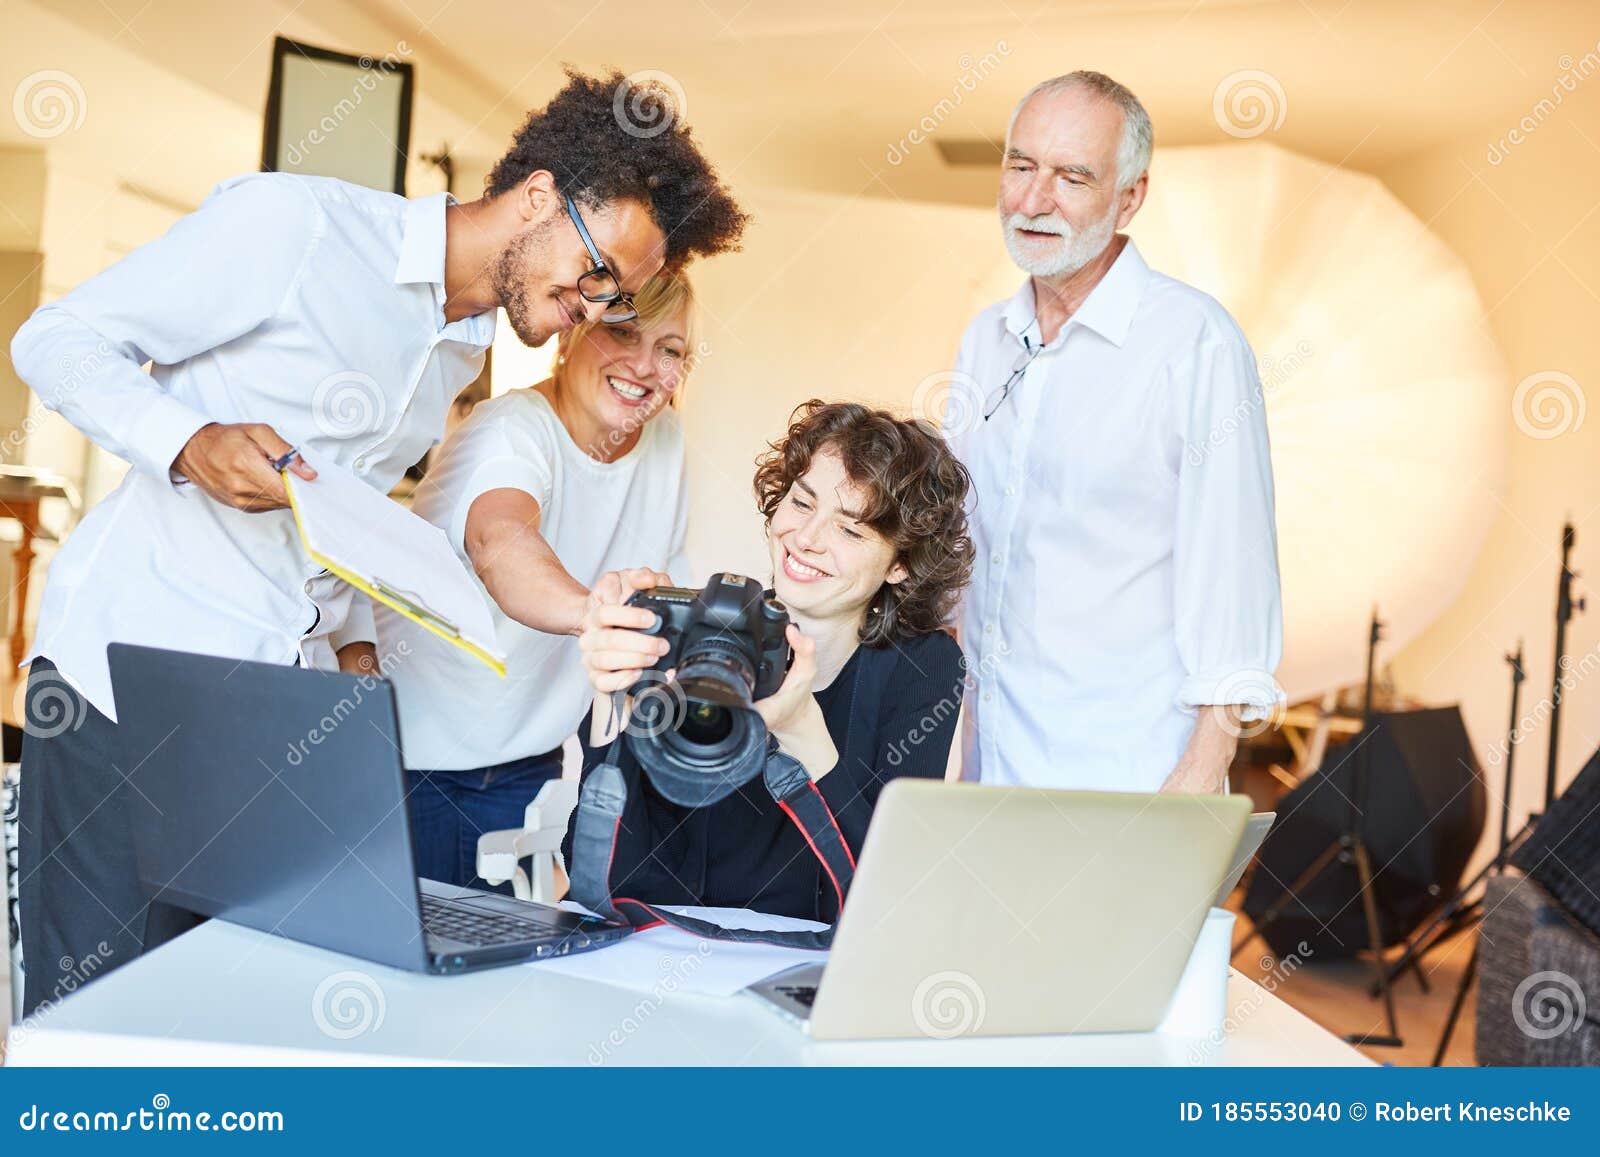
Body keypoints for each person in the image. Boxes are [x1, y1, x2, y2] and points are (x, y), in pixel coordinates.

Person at [8, 69, 747, 1015]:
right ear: (536, 196)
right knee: (93, 1028)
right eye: (598, 275)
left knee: (208, 1030)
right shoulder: (297, 228)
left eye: (620, 300)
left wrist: (354, 644)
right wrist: (188, 444)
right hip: (123, 688)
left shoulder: (460, 344)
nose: (596, 309)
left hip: (262, 717)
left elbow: (335, 512)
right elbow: (56, 338)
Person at [948, 71, 1282, 795]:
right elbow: (958, 549)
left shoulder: (1196, 343)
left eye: (1072, 176)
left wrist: (1203, 768)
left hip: (1129, 782)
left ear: (1129, 197)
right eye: (1021, 166)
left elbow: (1234, 567)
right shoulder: (986, 340)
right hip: (987, 777)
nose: (1035, 200)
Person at [564, 401, 974, 921]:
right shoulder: (703, 636)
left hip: (809, 977)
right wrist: (613, 704)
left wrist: (804, 732)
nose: (806, 539)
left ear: (901, 564)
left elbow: (893, 899)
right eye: (802, 504)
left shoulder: (922, 667)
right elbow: (599, 872)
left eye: (850, 531)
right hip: (668, 956)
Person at [379, 271, 700, 887]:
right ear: (570, 335)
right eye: (624, 333)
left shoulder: (667, 443)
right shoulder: (514, 428)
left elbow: (671, 582)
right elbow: (500, 542)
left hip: (535, 759)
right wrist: (594, 615)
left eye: (671, 350)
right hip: (421, 764)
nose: (644, 365)